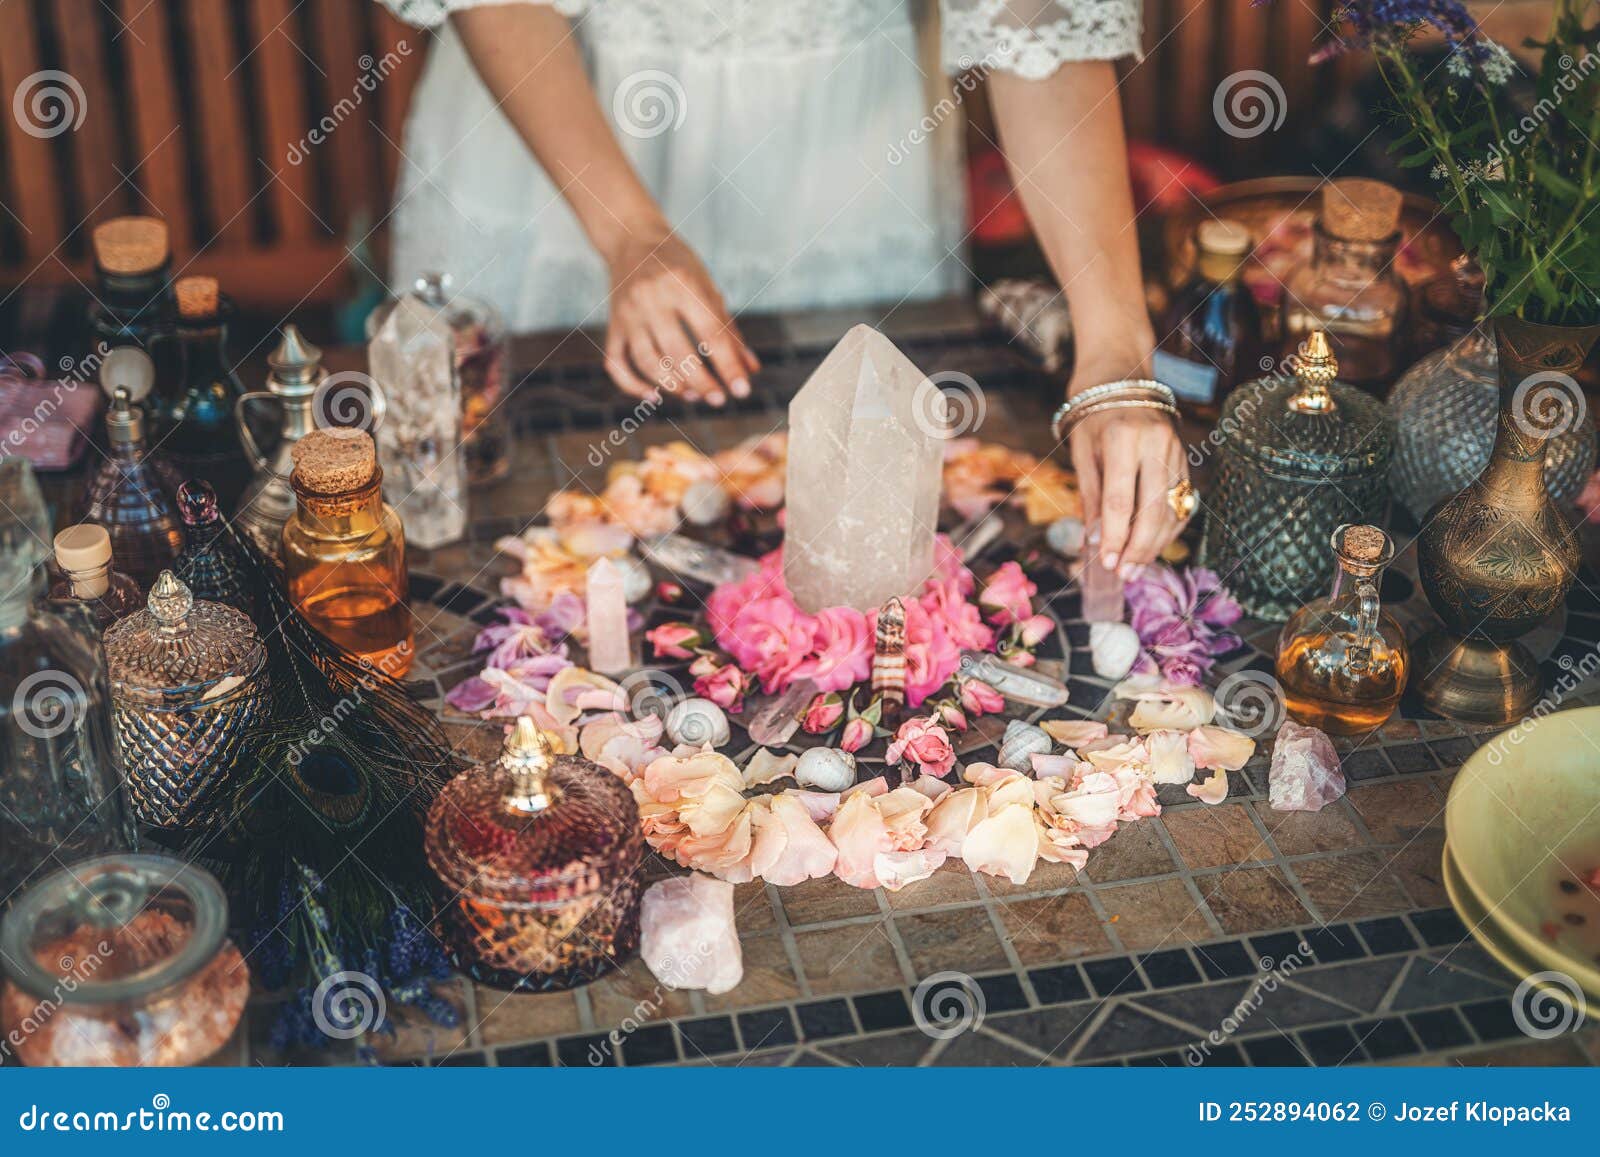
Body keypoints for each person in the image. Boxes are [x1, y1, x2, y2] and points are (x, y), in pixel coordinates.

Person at [379, 0, 1188, 573]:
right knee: (538, 525)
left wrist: (1115, 352)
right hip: (564, 127)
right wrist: (626, 229)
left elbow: (1036, 27)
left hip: (844, 152)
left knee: (859, 510)